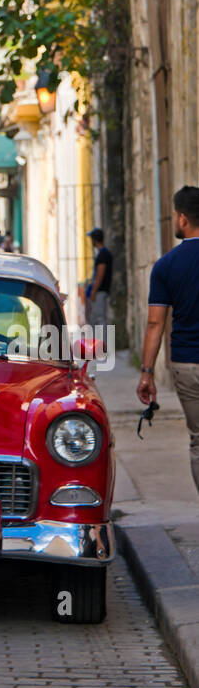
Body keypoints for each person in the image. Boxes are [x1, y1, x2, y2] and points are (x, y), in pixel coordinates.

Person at [138, 186, 199, 494]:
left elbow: (155, 323)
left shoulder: (166, 265)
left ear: (183, 218)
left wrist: (147, 373)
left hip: (188, 364)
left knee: (198, 439)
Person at [85, 228, 113, 327]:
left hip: (99, 292)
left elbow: (100, 274)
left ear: (95, 240)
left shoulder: (103, 255)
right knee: (96, 319)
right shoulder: (104, 254)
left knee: (99, 319)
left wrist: (94, 290)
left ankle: (102, 342)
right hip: (100, 292)